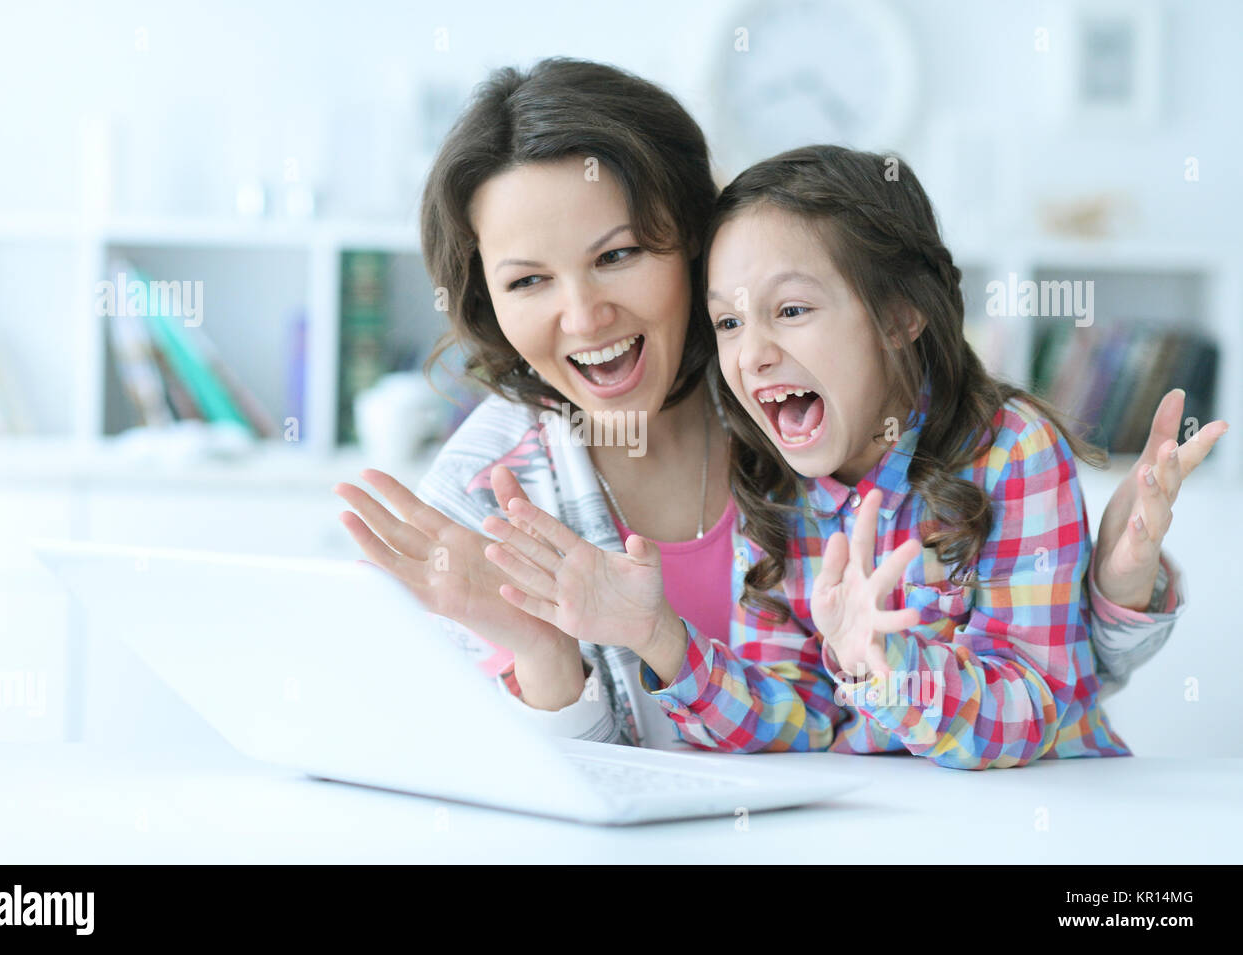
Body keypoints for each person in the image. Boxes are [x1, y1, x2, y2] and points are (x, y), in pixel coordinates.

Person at [334, 59, 1220, 751]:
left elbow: (1047, 679)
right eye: (528, 279)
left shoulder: (793, 437)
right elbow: (762, 725)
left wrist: (1112, 592)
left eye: (618, 255)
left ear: (696, 241)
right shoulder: (491, 491)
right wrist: (570, 649)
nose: (583, 315)